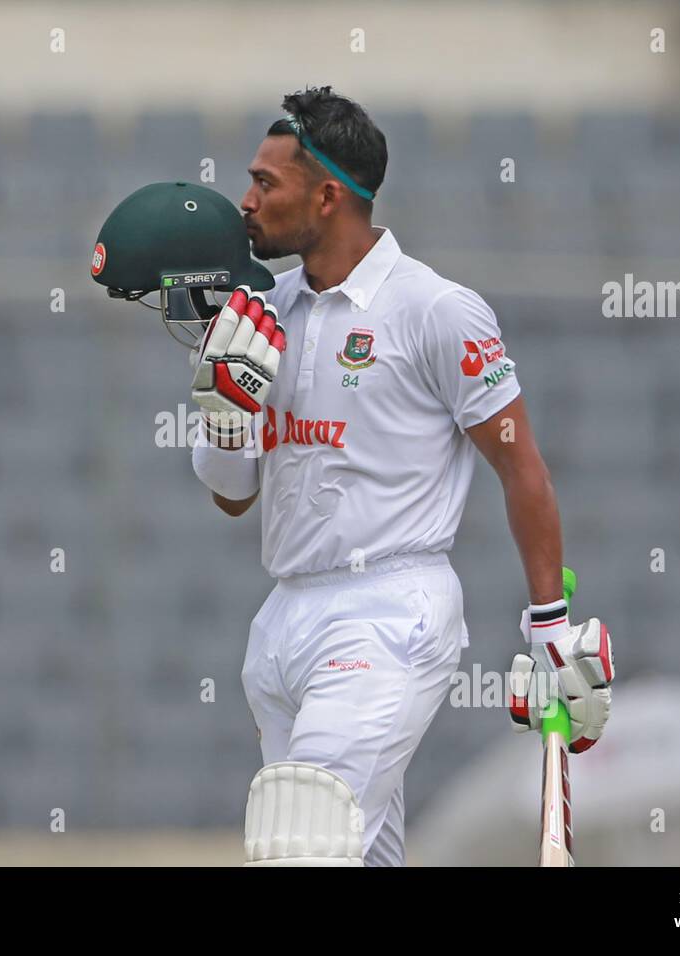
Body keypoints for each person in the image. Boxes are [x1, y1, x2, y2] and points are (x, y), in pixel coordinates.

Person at [185, 87, 614, 866]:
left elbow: (520, 466)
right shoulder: (265, 312)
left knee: (301, 839)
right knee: (357, 850)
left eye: (265, 184)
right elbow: (232, 493)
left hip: (389, 613)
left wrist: (549, 622)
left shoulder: (435, 310)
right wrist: (220, 414)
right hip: (282, 620)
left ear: (327, 194)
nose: (244, 203)